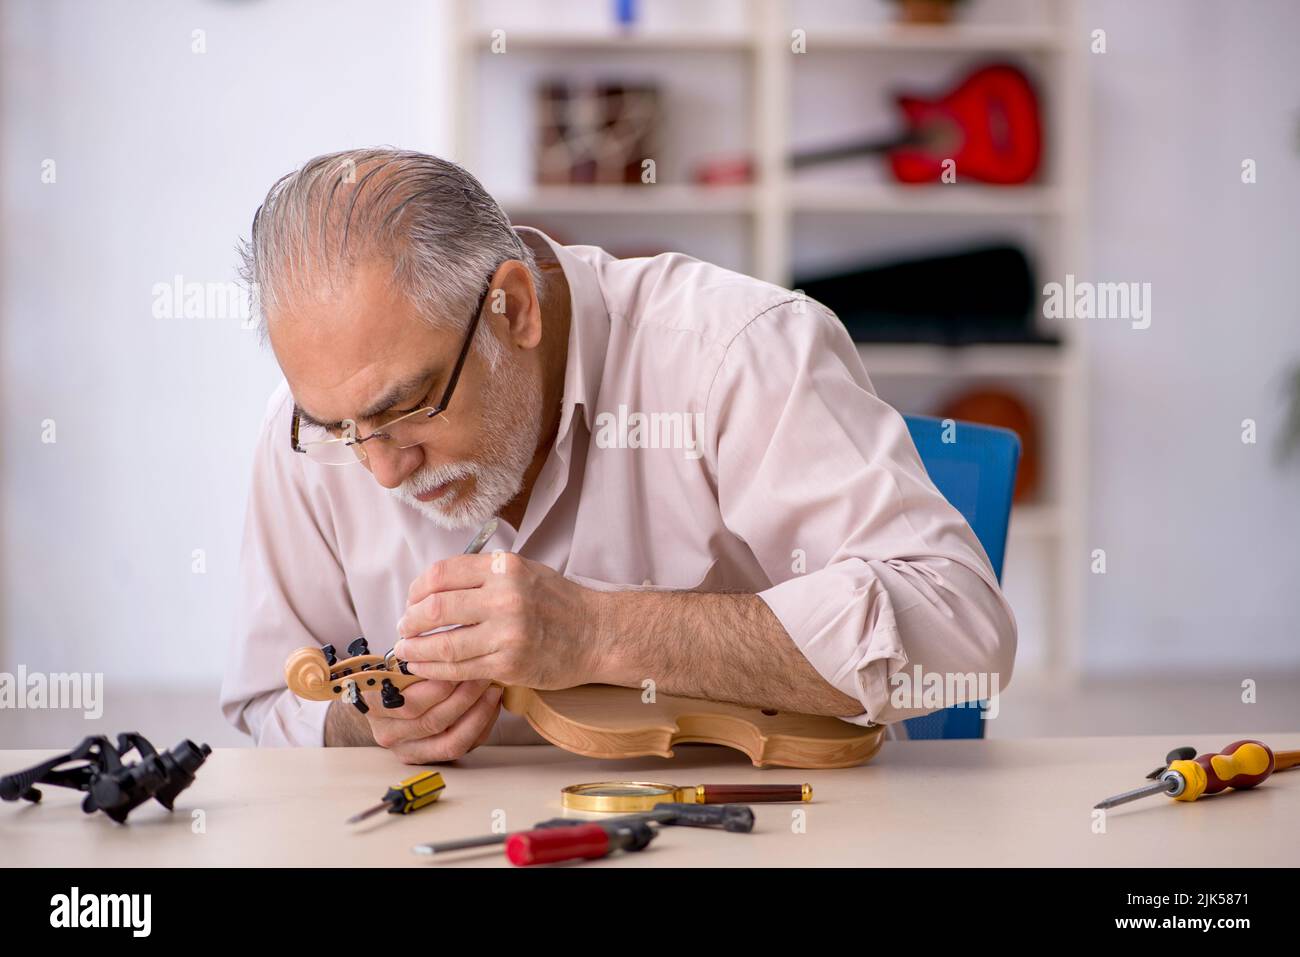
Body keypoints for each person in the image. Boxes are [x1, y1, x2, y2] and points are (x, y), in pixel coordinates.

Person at [219, 148, 1016, 761]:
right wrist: (364, 728)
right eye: (342, 428)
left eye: (409, 407)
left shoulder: (735, 351)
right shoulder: (314, 424)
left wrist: (604, 631)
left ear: (515, 308)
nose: (382, 469)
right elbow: (265, 706)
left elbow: (966, 634)